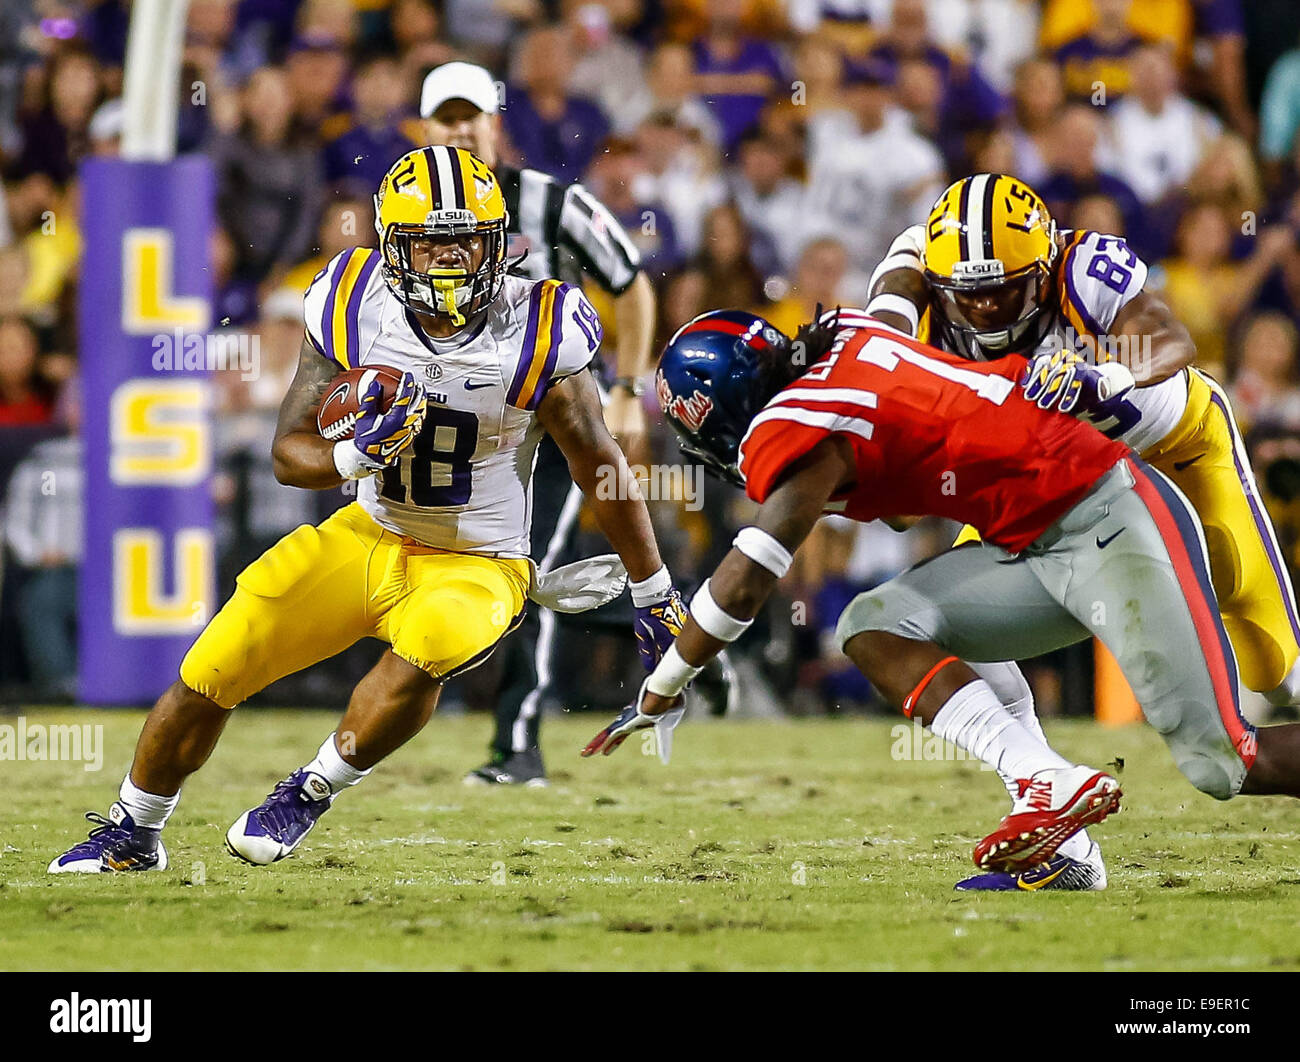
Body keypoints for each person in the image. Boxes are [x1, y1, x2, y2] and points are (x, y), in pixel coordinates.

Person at [48, 147, 686, 873]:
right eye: (429, 244)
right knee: (214, 663)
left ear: (497, 245)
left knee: (436, 639)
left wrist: (655, 594)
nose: (449, 263)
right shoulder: (352, 301)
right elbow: (289, 454)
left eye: (465, 243)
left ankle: (310, 790)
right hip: (370, 532)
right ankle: (135, 830)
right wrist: (357, 456)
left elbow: (599, 463)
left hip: (479, 561)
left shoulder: (539, 328)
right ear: (390, 246)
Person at [583, 305, 1300, 880]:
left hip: (1112, 517)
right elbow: (899, 499)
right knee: (878, 623)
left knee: (1224, 763)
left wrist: (664, 684)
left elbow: (747, 578)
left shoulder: (790, 426)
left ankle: (1053, 793)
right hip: (1033, 543)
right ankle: (1046, 784)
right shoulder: (846, 334)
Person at [862, 173, 1300, 888]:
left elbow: (1170, 341)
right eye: (968, 292)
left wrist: (1104, 378)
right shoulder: (912, 279)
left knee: (1280, 679)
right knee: (941, 625)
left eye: (1004, 289)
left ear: (1043, 267)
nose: (984, 306)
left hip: (1176, 453)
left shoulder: (1084, 268)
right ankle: (1056, 831)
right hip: (1048, 483)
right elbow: (880, 357)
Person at [419, 60, 689, 786]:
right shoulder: (404, 211)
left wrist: (629, 387)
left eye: (469, 115)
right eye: (446, 118)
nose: (460, 129)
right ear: (424, 131)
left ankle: (519, 746)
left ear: (494, 123)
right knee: (489, 572)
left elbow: (630, 284)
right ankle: (685, 638)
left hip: (551, 421)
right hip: (452, 426)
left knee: (520, 567)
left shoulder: (546, 201)